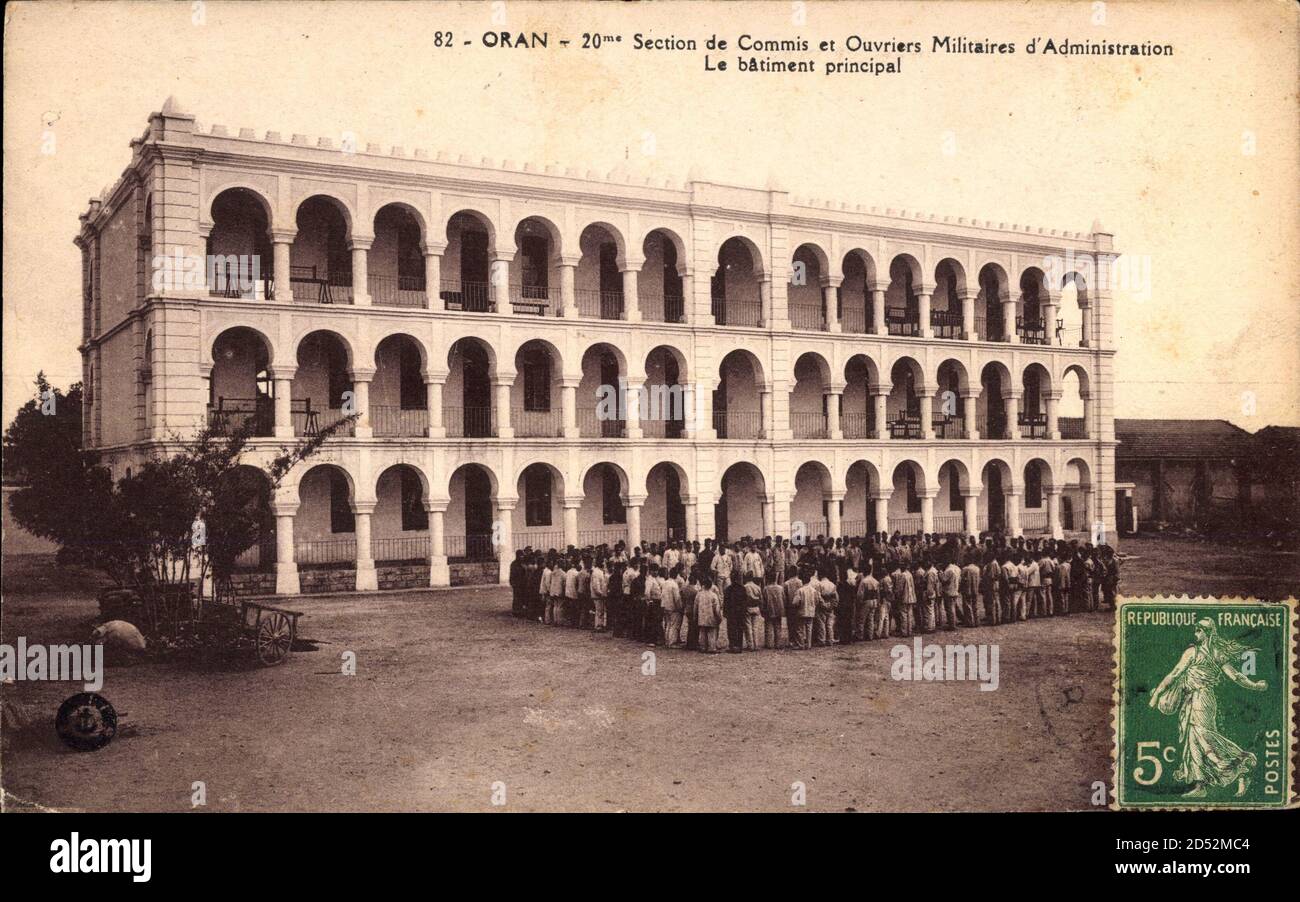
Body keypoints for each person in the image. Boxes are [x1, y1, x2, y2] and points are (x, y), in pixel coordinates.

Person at [694, 578, 723, 654]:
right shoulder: (713, 595)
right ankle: (711, 647)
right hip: (711, 616)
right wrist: (719, 617)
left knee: (702, 632)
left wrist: (695, 616)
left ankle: (703, 647)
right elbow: (716, 608)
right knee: (711, 633)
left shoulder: (699, 594)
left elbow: (695, 606)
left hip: (702, 616)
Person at [724, 574, 749, 653]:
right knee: (740, 629)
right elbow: (745, 601)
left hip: (731, 612)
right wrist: (744, 611)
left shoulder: (728, 589)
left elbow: (726, 602)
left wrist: (725, 612)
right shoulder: (742, 588)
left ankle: (733, 646)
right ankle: (739, 646)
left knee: (731, 629)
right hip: (740, 612)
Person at [761, 572, 785, 649]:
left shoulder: (766, 588)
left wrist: (763, 609)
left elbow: (763, 600)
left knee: (768, 627)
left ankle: (769, 644)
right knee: (778, 626)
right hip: (779, 609)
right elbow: (784, 599)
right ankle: (778, 643)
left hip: (769, 609)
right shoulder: (780, 588)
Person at [660, 565, 683, 646]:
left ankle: (667, 640)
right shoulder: (674, 585)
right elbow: (677, 598)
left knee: (668, 624)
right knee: (673, 625)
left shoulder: (665, 583)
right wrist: (679, 607)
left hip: (665, 606)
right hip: (673, 607)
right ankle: (671, 642)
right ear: (676, 575)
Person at [940, 556, 962, 631]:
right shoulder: (957, 568)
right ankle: (955, 622)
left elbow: (943, 580)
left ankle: (952, 625)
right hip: (955, 589)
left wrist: (940, 573)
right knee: (954, 607)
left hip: (949, 591)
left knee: (950, 609)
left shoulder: (948, 570)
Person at [743, 575, 762, 650]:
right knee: (755, 627)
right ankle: (756, 644)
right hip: (756, 607)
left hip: (748, 607)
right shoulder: (757, 587)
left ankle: (750, 645)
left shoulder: (745, 587)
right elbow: (761, 598)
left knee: (748, 627)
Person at [591, 557, 610, 631]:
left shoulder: (600, 571)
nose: (605, 564)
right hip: (598, 595)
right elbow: (596, 585)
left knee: (601, 611)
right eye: (604, 562)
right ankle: (598, 626)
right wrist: (601, 593)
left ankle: (600, 625)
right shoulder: (596, 572)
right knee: (599, 611)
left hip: (600, 594)